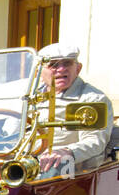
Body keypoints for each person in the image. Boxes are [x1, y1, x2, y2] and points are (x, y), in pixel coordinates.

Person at [35, 43, 112, 175]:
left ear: (78, 68)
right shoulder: (28, 96)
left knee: (56, 166)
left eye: (67, 63)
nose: (61, 69)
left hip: (70, 168)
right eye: (53, 65)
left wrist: (66, 151)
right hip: (27, 161)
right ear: (39, 71)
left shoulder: (91, 98)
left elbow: (94, 140)